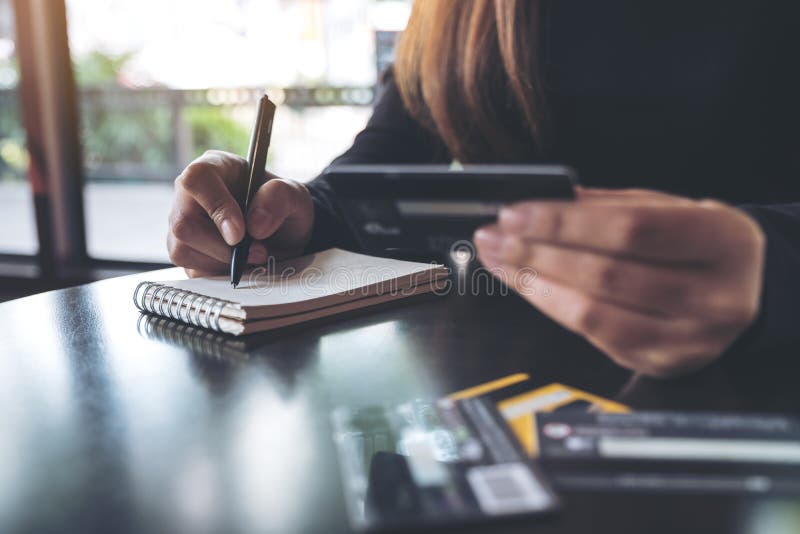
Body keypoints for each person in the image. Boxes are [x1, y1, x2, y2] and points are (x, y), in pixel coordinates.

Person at [166, 0, 799, 377]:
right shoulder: (454, 15)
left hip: (752, 379)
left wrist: (772, 266)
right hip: (500, 392)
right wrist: (293, 212)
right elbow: (375, 168)